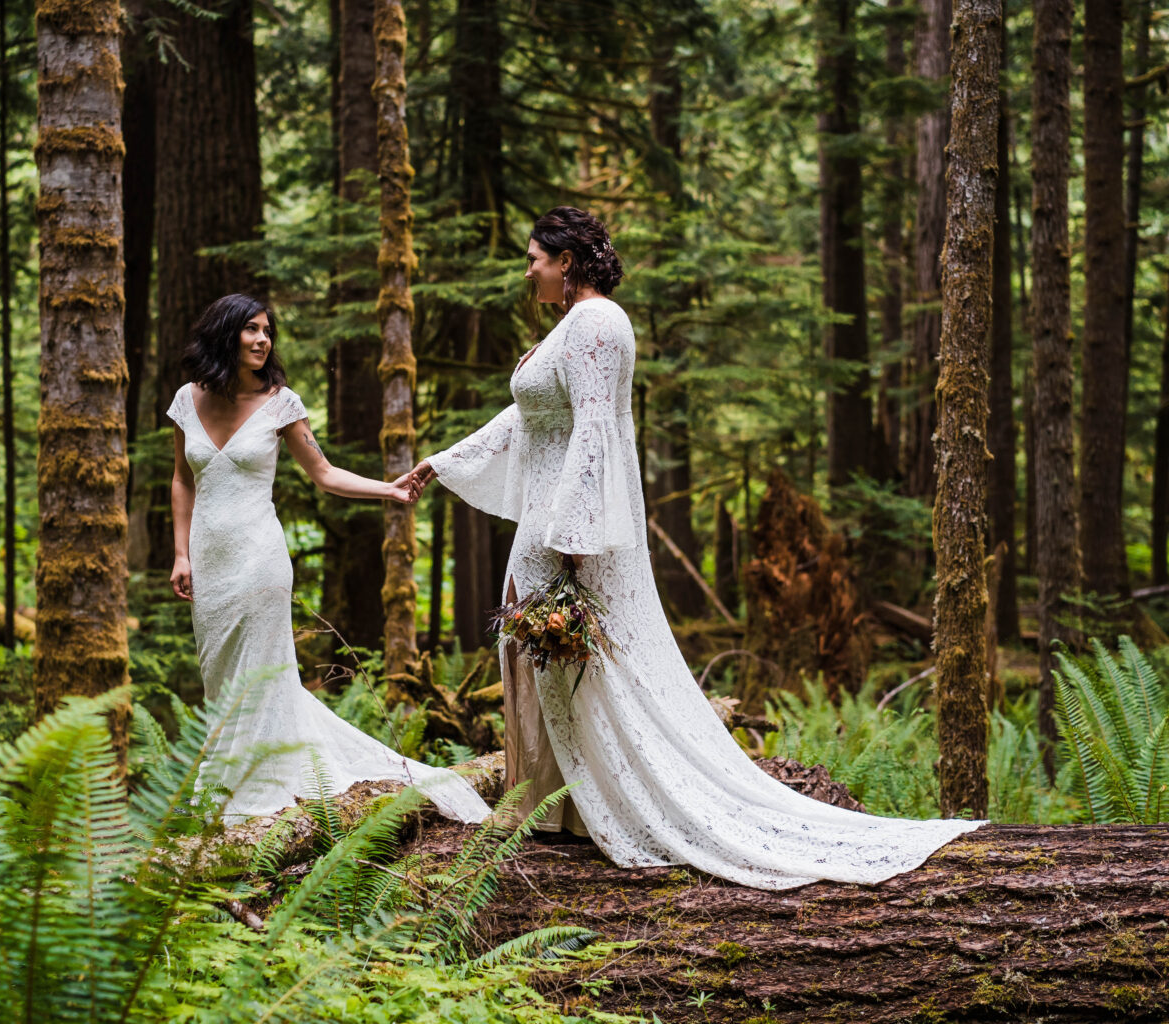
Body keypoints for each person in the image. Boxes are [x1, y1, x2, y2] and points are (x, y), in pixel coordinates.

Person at [400, 207, 983, 889]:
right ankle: (556, 809)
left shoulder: (595, 323)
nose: (528, 272)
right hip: (545, 519)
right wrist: (443, 461)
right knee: (542, 660)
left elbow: (594, 430)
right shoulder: (572, 325)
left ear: (566, 261)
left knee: (580, 663)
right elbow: (531, 417)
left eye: (534, 259)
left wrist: (572, 541)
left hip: (565, 530)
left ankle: (603, 806)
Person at [166, 293, 490, 824]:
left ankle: (261, 795)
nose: (263, 339)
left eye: (267, 330)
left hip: (260, 559)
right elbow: (182, 479)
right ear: (225, 333)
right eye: (251, 329)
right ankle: (226, 785)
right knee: (220, 676)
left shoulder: (281, 403)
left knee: (262, 673)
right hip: (209, 562)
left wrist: (389, 489)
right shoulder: (188, 400)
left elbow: (324, 473)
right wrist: (181, 554)